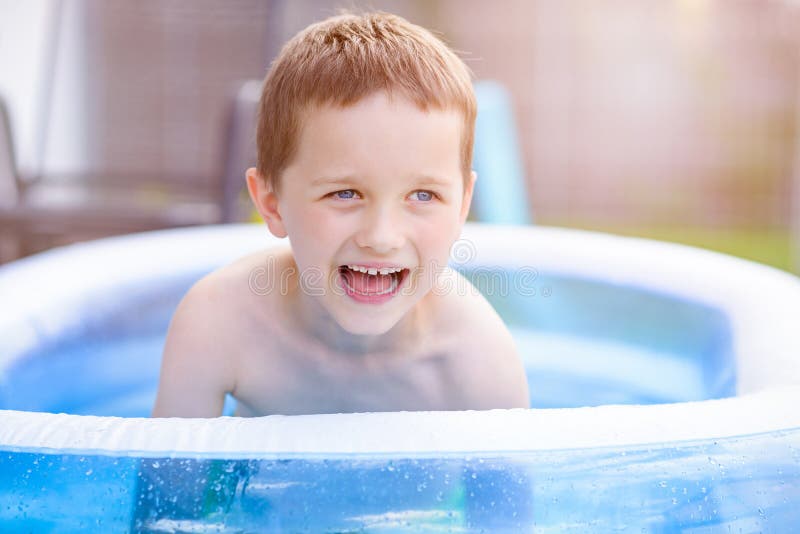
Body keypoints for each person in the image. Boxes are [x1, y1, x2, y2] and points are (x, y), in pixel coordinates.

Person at [152, 11, 529, 418]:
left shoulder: (478, 363)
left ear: (462, 206)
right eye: (345, 193)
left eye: (422, 195)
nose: (382, 237)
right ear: (271, 203)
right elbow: (172, 483)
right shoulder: (220, 323)